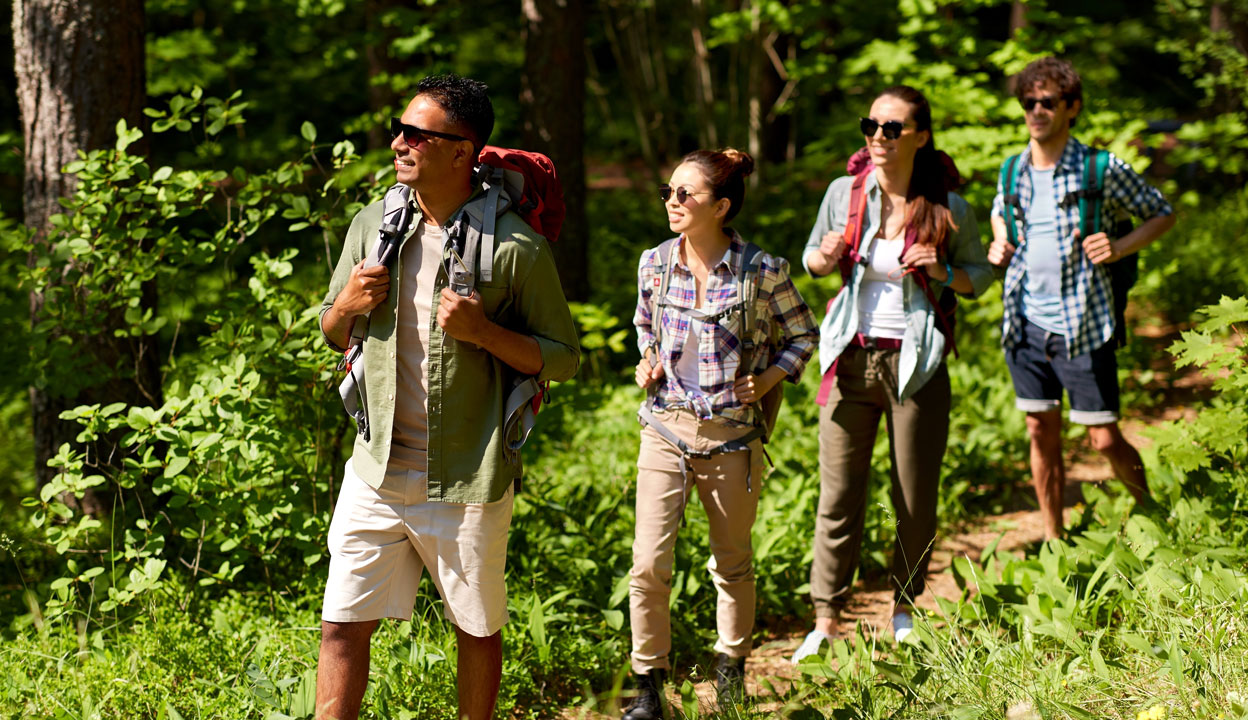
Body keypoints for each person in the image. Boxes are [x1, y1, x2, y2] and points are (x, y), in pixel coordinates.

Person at [314, 74, 580, 720]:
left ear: (462, 150)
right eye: (399, 130)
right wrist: (345, 306)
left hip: (468, 477)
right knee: (341, 627)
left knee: (476, 629)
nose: (399, 143)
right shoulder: (373, 224)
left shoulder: (515, 246)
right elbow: (330, 327)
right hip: (375, 469)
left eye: (417, 134)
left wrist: (483, 333)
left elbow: (565, 358)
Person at [792, 86, 993, 661]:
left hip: (917, 364)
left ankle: (904, 609)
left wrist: (945, 267)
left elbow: (978, 277)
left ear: (920, 137)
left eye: (892, 127)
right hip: (851, 359)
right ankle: (826, 620)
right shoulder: (843, 193)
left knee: (914, 496)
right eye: (871, 125)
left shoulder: (948, 205)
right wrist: (823, 257)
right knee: (837, 494)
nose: (878, 137)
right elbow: (811, 257)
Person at [625, 148, 819, 719]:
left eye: (686, 194)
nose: (673, 202)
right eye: (668, 191)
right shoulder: (655, 263)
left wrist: (770, 378)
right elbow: (644, 325)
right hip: (664, 427)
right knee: (647, 563)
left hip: (732, 437)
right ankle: (648, 687)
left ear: (722, 206)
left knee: (731, 561)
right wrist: (647, 361)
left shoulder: (763, 271)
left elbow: (803, 336)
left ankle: (730, 670)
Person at [987, 57, 1175, 540]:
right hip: (1025, 323)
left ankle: (1156, 522)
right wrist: (998, 240)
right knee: (1038, 432)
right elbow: (1000, 214)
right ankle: (1055, 537)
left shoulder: (1101, 168)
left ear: (1072, 107)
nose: (1036, 110)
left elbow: (1161, 213)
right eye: (1029, 102)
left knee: (1103, 436)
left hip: (1084, 324)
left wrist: (1120, 246)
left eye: (1047, 102)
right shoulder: (1013, 170)